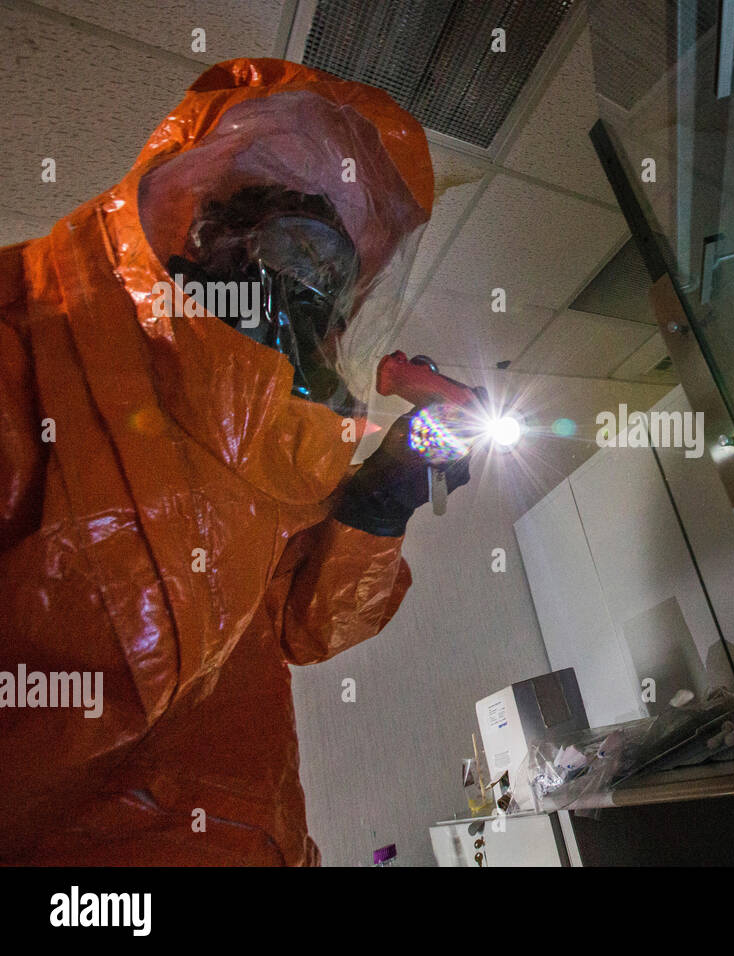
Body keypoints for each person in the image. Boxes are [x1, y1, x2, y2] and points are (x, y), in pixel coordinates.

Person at [0, 58, 467, 864]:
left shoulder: (282, 448)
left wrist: (379, 503)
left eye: (324, 281)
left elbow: (306, 627)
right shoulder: (29, 340)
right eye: (284, 255)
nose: (297, 299)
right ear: (201, 233)